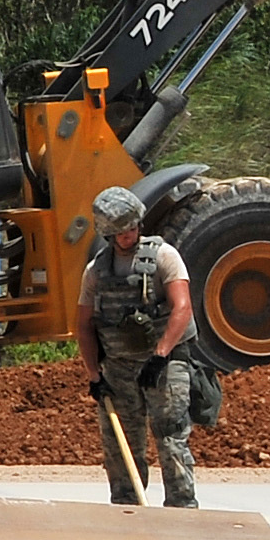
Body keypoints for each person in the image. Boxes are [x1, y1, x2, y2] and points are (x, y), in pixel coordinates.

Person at [75, 184, 198, 507]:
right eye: (121, 231)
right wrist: (94, 376)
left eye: (132, 227)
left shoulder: (164, 257)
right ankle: (128, 508)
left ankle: (182, 507)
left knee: (171, 437)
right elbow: (84, 325)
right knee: (121, 446)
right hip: (117, 369)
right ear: (108, 234)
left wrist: (160, 355)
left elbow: (182, 308)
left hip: (163, 366)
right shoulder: (97, 272)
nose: (128, 235)